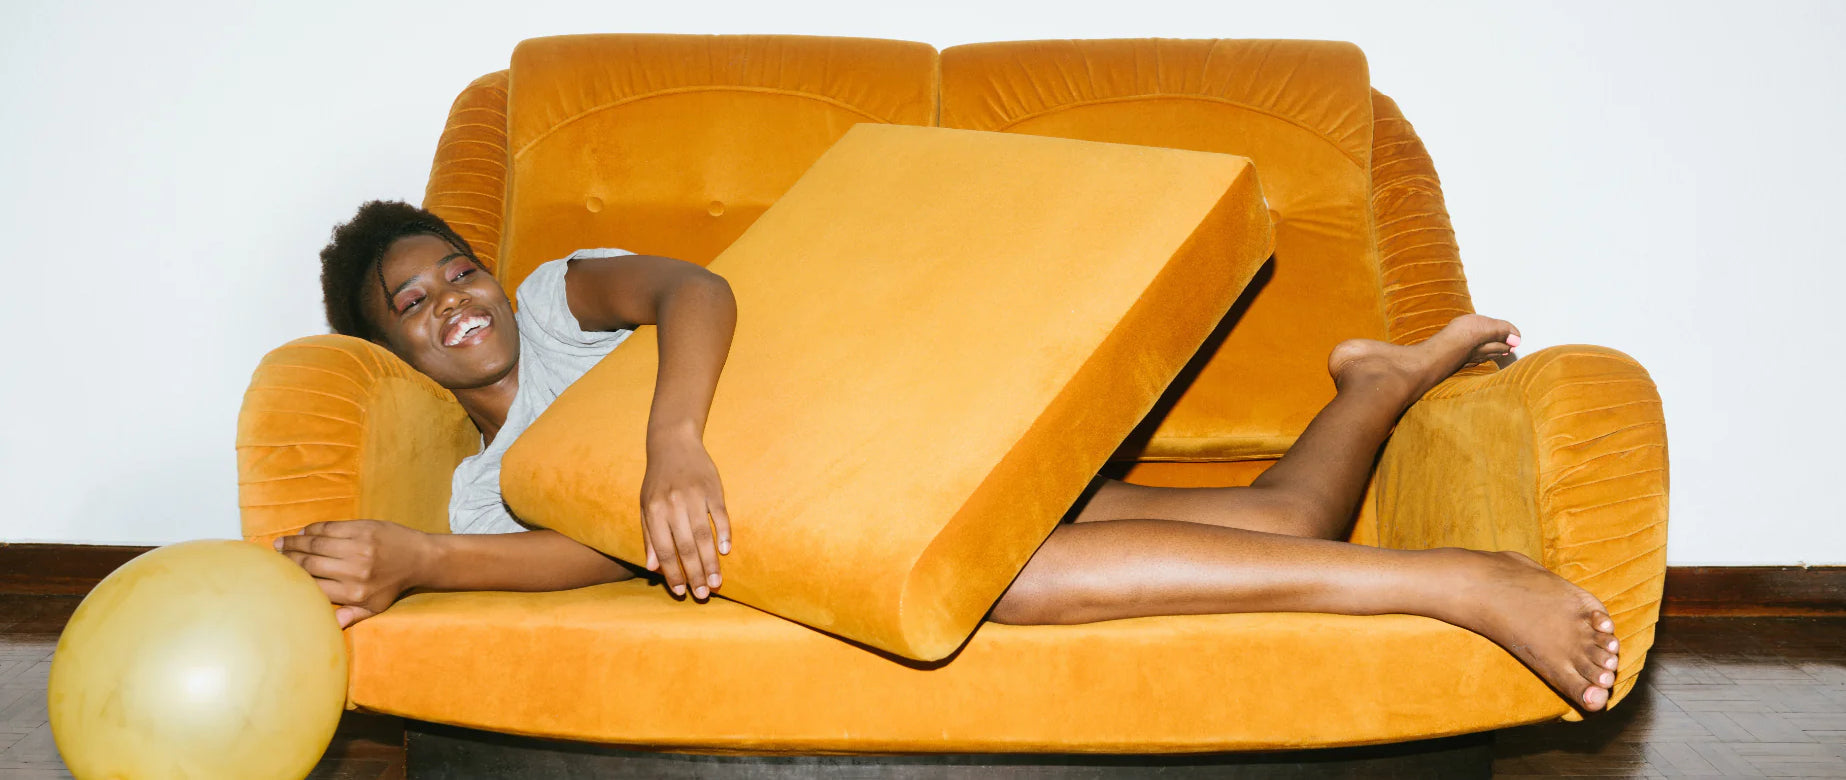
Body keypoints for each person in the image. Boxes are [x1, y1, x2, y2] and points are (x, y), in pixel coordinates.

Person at [277, 200, 1622, 712]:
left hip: (891, 426)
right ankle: (1376, 383)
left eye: (457, 266)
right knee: (1276, 528)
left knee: (1009, 576)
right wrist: (421, 556)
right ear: (391, 352)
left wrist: (674, 443)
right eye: (415, 303)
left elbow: (698, 292)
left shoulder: (563, 295)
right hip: (843, 522)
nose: (456, 298)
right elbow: (580, 556)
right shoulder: (481, 485)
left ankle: (1457, 581)